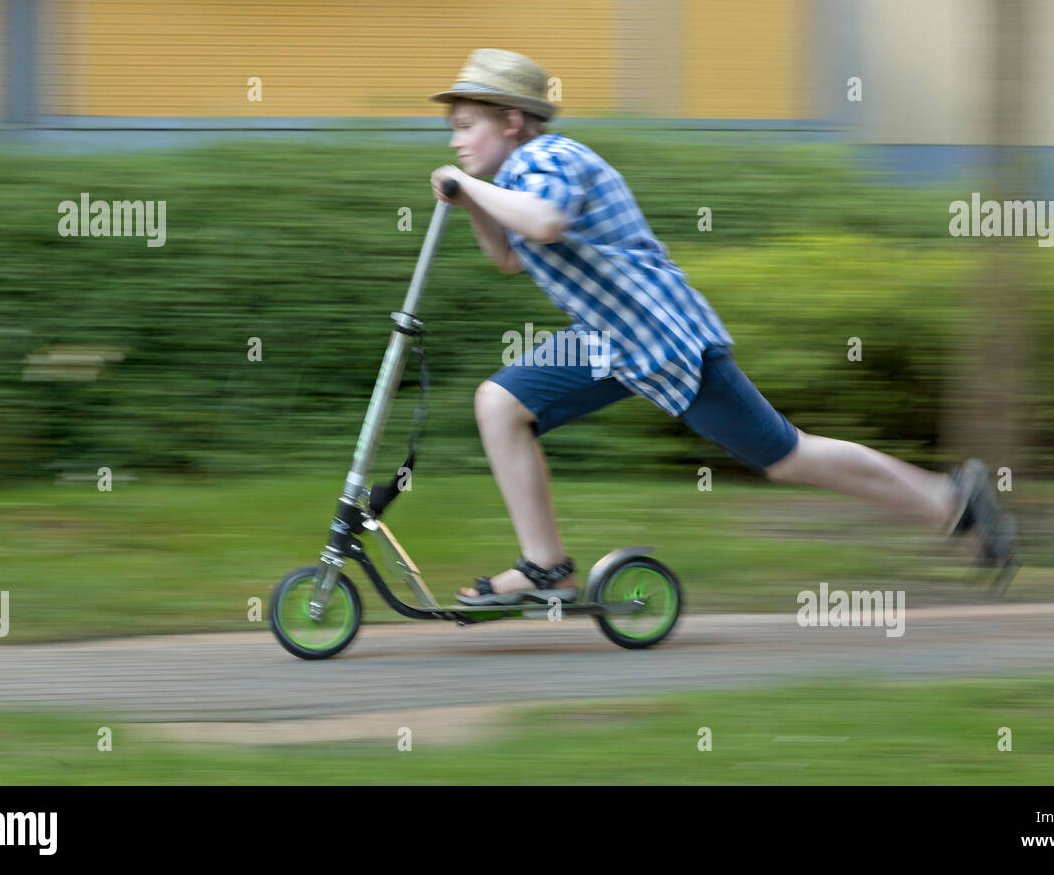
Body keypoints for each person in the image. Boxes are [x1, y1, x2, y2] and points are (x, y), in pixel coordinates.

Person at [427, 48, 1017, 605]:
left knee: (785, 456)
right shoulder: (514, 181)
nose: (456, 141)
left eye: (465, 126)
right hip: (608, 340)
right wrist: (475, 200)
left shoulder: (549, 157)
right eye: (452, 129)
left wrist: (469, 185)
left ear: (510, 121)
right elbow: (509, 255)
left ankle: (951, 500)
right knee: (500, 404)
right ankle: (545, 568)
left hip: (664, 337)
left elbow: (546, 222)